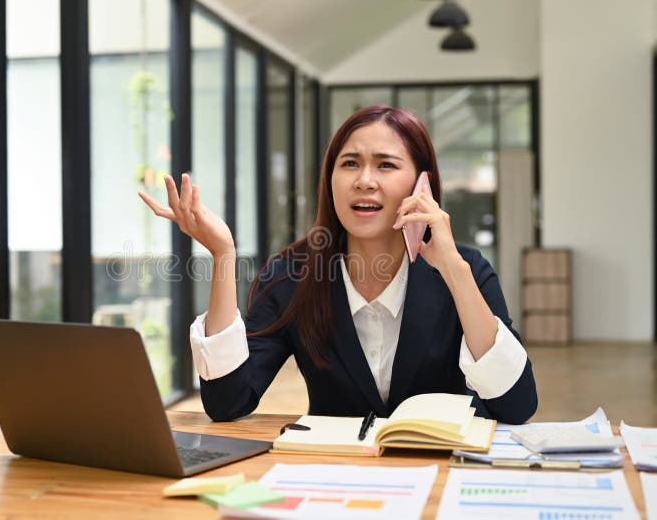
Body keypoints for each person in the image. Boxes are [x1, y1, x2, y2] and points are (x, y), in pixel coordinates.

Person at [139, 105, 537, 425]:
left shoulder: (465, 268)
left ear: (422, 184)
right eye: (349, 164)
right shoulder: (291, 276)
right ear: (330, 180)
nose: (364, 180)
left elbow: (517, 407)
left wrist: (452, 269)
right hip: (336, 479)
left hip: (445, 476)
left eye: (385, 165)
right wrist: (223, 255)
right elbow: (227, 403)